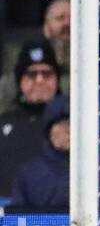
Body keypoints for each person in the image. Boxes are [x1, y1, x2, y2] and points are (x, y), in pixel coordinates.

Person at [0, 42, 61, 199]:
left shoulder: (72, 125)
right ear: (19, 81)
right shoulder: (3, 124)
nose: (39, 80)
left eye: (46, 74)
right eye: (31, 75)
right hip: (8, 217)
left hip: (58, 218)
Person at [10, 93, 70, 210]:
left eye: (72, 123)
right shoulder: (28, 172)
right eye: (61, 124)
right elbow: (17, 220)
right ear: (49, 131)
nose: (68, 130)